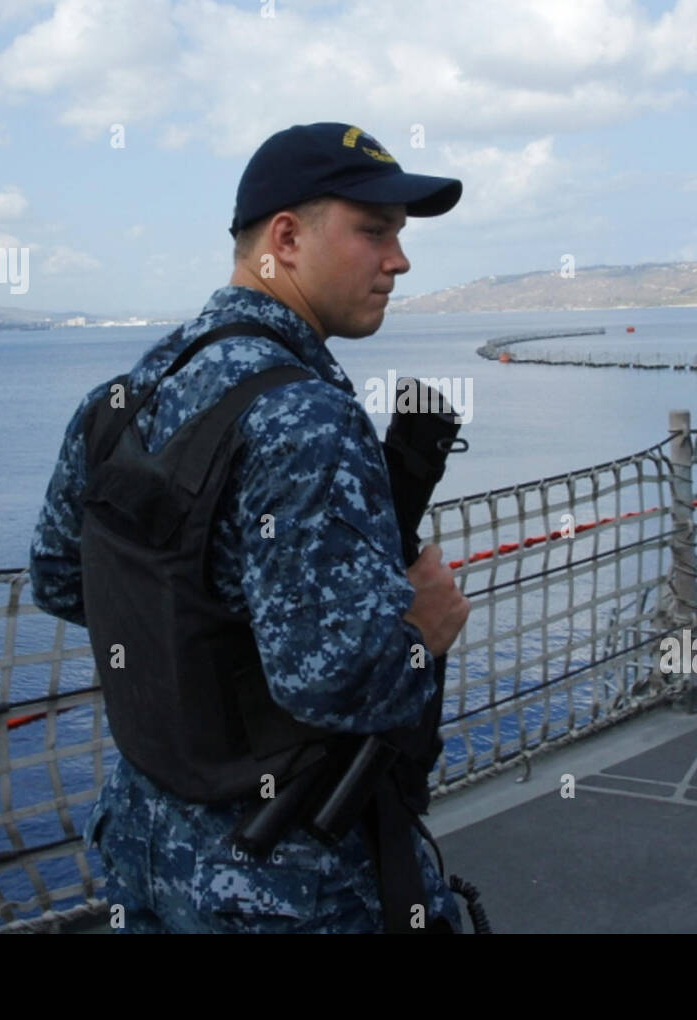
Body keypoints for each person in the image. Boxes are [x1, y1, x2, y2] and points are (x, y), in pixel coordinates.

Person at [30, 122, 471, 932]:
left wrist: (198, 640)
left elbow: (61, 578)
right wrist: (424, 631)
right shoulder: (307, 418)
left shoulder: (121, 399)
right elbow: (332, 682)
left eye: (400, 238)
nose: (398, 261)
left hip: (146, 847)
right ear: (287, 238)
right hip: (288, 884)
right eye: (374, 232)